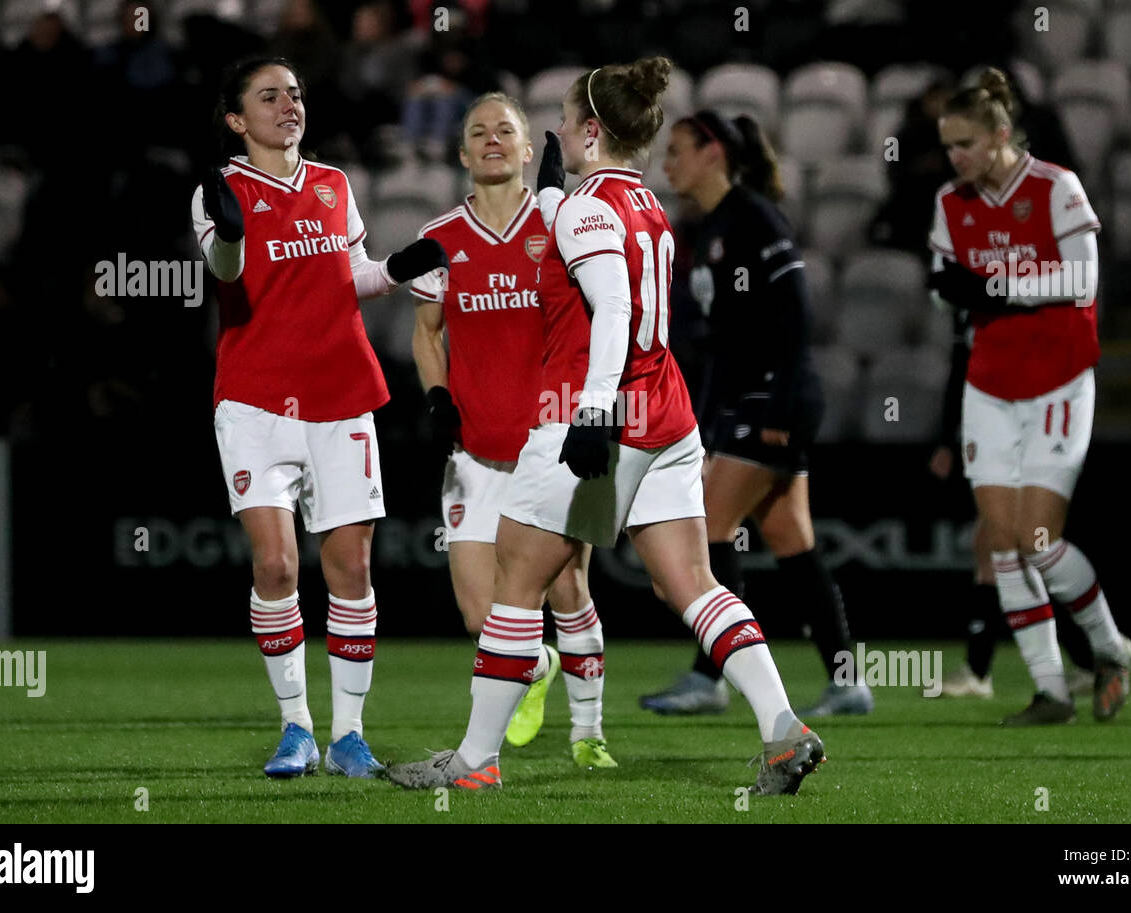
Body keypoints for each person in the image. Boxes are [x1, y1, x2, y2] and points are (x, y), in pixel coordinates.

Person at [388, 57, 825, 793]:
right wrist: (552, 193)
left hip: (591, 415)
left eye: (563, 119)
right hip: (667, 414)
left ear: (592, 130)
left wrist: (590, 414)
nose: (555, 131)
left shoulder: (589, 210)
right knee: (692, 581)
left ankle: (473, 761)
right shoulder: (643, 203)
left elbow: (614, 309)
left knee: (517, 581)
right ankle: (783, 728)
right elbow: (587, 239)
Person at [191, 56, 447, 777]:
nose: (288, 105)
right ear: (238, 120)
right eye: (269, 97)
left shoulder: (335, 185)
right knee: (275, 563)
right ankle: (296, 727)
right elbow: (225, 273)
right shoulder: (218, 190)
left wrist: (397, 269)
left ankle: (350, 736)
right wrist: (233, 232)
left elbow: (352, 275)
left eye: (295, 94)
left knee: (352, 564)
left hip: (340, 393)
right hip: (253, 400)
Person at [638, 110, 872, 718]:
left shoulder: (753, 219)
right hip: (747, 403)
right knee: (792, 539)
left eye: (679, 151)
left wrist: (778, 401)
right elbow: (717, 341)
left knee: (707, 530)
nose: (668, 165)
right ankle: (847, 680)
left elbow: (796, 312)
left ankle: (706, 676)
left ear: (713, 153)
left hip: (773, 400)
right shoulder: (710, 227)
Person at [409, 91, 615, 769]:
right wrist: (437, 395)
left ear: (530, 150)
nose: (492, 139)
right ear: (463, 153)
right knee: (480, 615)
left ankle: (588, 733)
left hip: (551, 444)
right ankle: (539, 663)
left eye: (506, 130)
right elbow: (426, 333)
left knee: (568, 590)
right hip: (475, 453)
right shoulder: (440, 239)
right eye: (478, 132)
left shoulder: (561, 225)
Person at [926, 67, 1131, 725]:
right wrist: (956, 289)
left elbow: (1082, 279)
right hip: (988, 384)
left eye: (965, 143)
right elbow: (945, 284)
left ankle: (1111, 647)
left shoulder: (1055, 187)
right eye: (947, 146)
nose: (954, 157)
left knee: (1041, 538)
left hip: (1059, 378)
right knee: (1001, 541)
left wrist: (991, 287)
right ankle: (1050, 689)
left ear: (1000, 134)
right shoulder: (951, 203)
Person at [928, 307, 1097, 699]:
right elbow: (962, 368)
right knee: (1004, 547)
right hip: (998, 425)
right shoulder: (970, 300)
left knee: (1010, 546)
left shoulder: (1006, 291)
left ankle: (983, 670)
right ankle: (1087, 660)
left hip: (1027, 420)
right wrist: (947, 437)